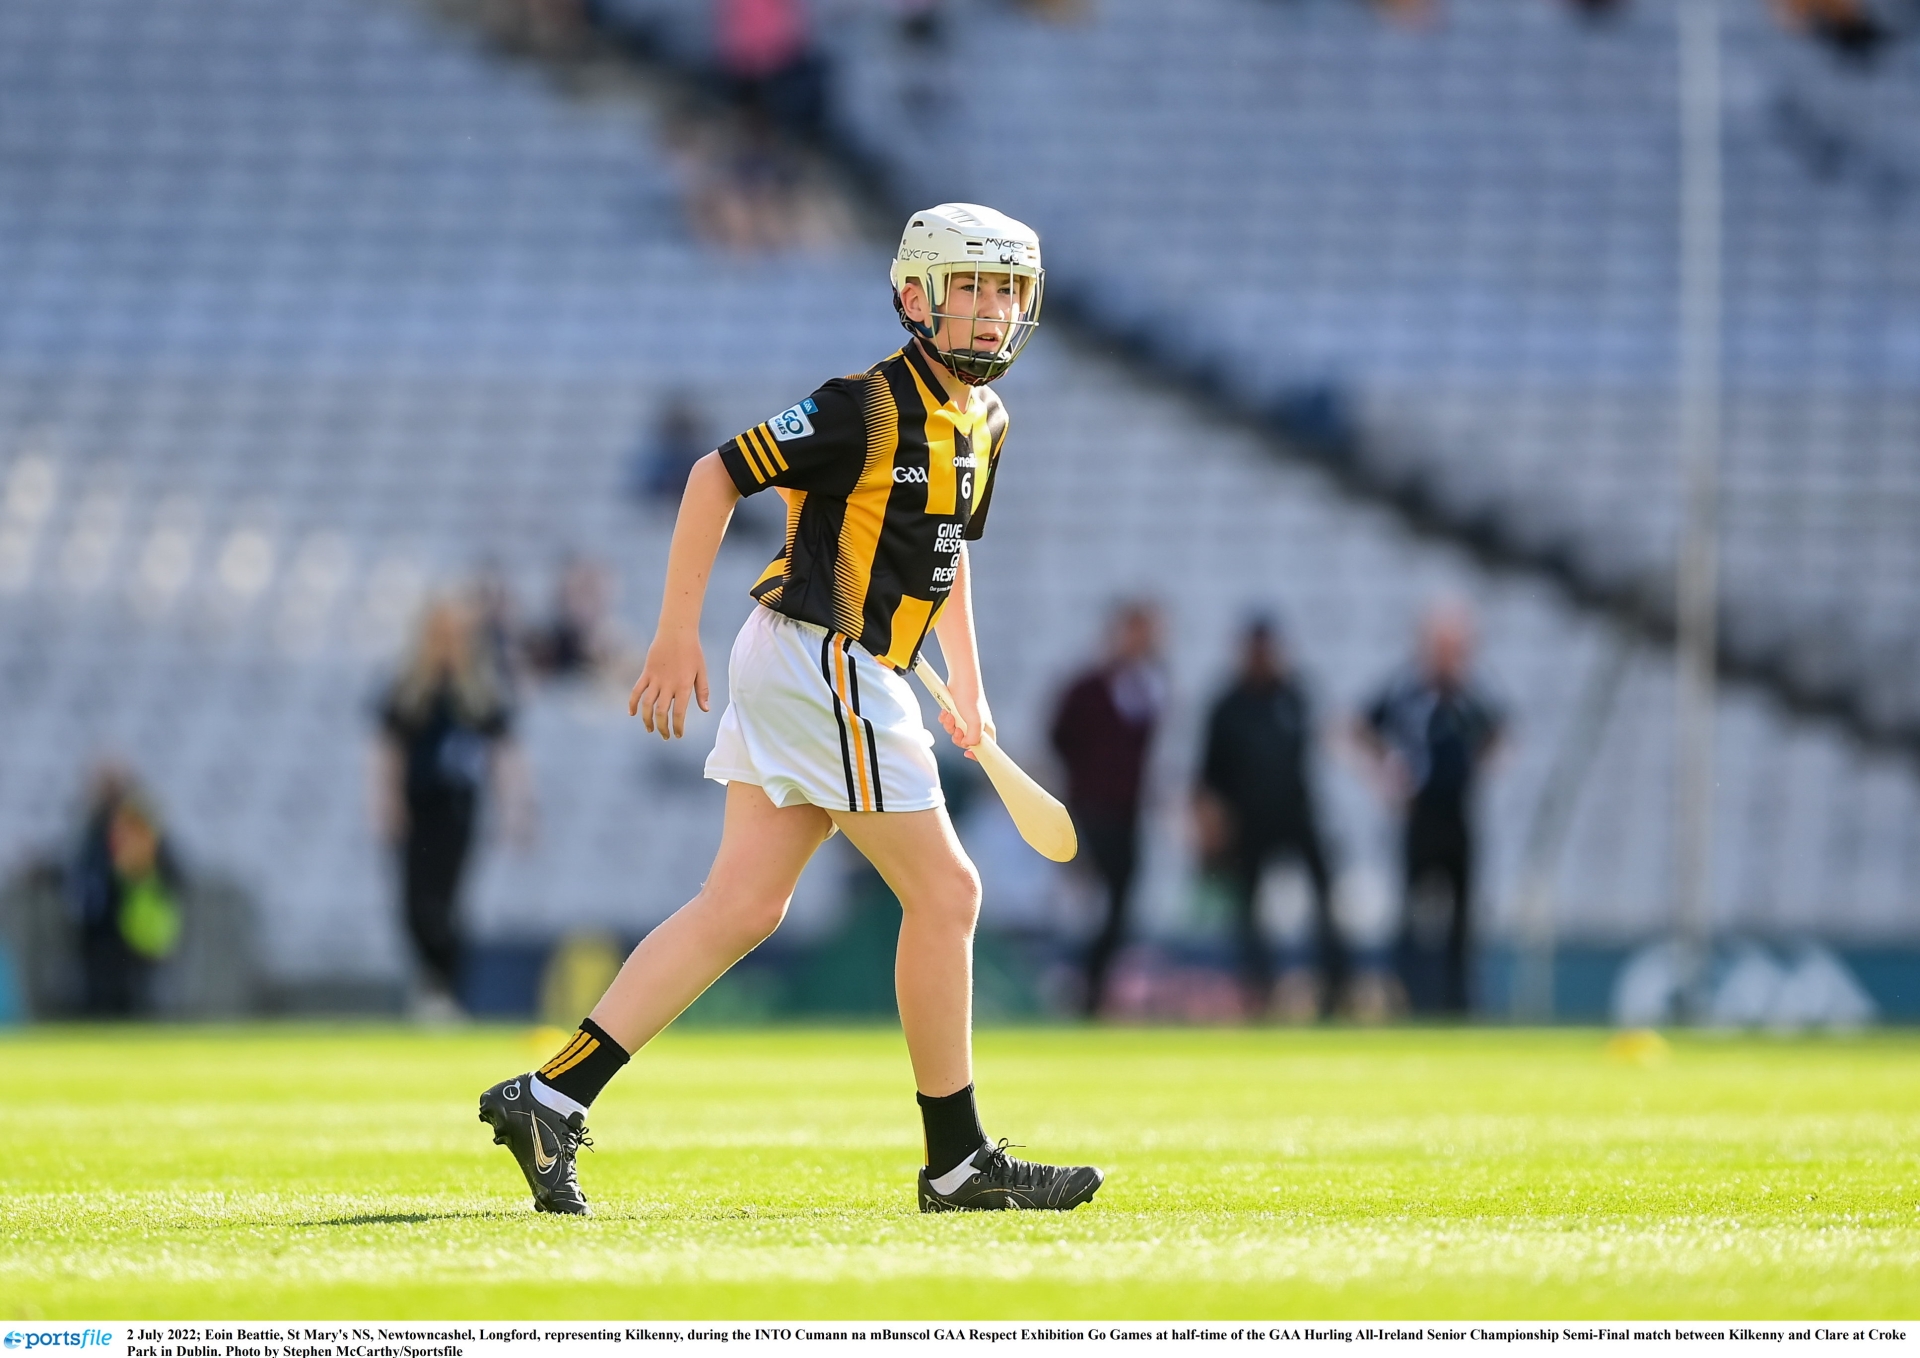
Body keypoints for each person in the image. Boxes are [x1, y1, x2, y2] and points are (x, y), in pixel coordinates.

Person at [477, 203, 1103, 1216]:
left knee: (742, 906)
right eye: (970, 287)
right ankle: (957, 1162)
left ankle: (550, 1096)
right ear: (916, 297)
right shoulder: (862, 406)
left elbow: (948, 554)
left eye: (1008, 291)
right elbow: (714, 475)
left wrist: (970, 679)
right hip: (823, 661)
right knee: (949, 893)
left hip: (836, 669)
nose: (992, 312)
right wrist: (673, 633)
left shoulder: (987, 421)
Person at [375, 597, 532, 1021]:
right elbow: (389, 750)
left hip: (457, 809)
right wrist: (387, 801)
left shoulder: (478, 693)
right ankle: (431, 981)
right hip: (417, 808)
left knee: (447, 902)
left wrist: (515, 810)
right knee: (413, 903)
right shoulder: (410, 690)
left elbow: (504, 754)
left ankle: (443, 989)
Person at [1353, 601, 1504, 1017]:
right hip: (1419, 816)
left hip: (1458, 815)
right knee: (1413, 913)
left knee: (1462, 914)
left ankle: (1459, 1003)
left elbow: (1499, 731)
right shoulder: (1406, 694)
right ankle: (1408, 998)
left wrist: (1478, 766)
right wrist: (1385, 772)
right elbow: (1358, 728)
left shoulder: (1469, 698)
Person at [1196, 616, 1342, 1019]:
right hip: (1248, 821)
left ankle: (1335, 986)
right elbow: (1208, 774)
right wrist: (1211, 825)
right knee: (1248, 911)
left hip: (1296, 813)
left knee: (1324, 897)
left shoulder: (1294, 696)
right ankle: (1260, 990)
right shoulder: (1227, 706)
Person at [1048, 602, 1164, 1017]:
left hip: (1127, 812)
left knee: (1119, 902)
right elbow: (1060, 737)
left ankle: (1093, 988)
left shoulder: (1150, 686)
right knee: (1095, 900)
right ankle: (1082, 987)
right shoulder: (1090, 688)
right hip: (1093, 809)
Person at [68, 764, 185, 1016]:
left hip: (137, 929)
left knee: (137, 997)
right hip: (103, 930)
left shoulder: (143, 829)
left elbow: (173, 875)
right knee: (103, 997)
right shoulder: (97, 828)